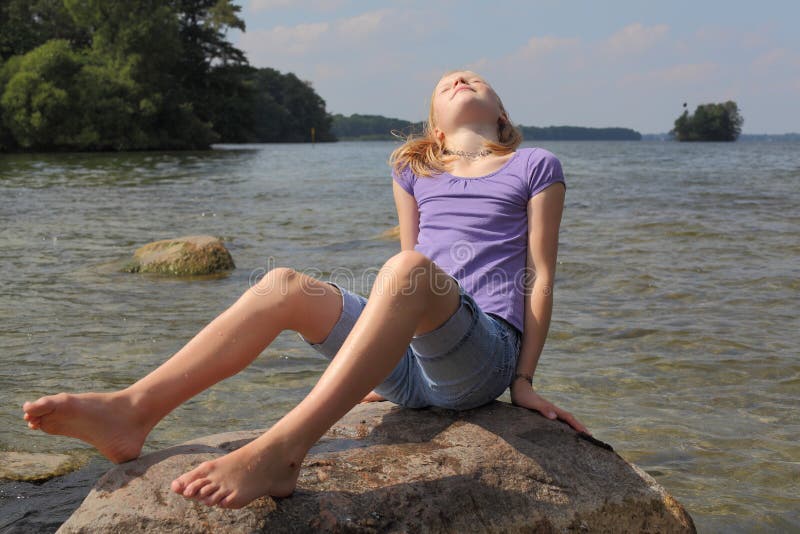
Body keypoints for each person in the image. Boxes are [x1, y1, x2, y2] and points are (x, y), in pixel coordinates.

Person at [22, 69, 589, 509]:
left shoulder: (534, 164)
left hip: (482, 355)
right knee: (282, 284)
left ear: (501, 114)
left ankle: (282, 451)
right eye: (446, 83)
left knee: (409, 268)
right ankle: (133, 410)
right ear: (435, 129)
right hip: (411, 363)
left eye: (474, 79)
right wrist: (375, 363)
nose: (460, 79)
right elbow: (405, 261)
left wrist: (523, 381)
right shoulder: (414, 170)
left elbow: (538, 276)